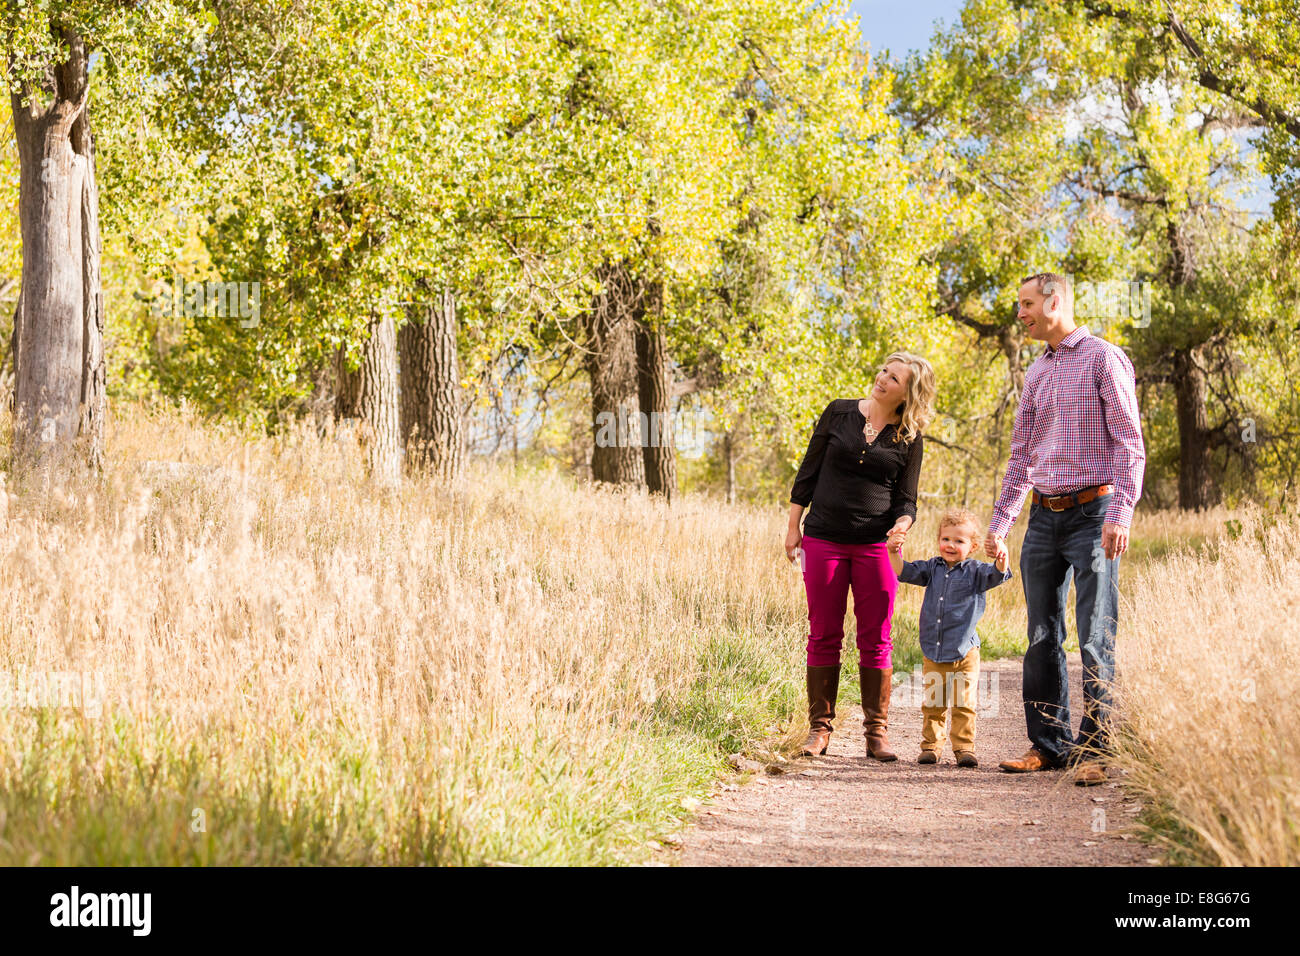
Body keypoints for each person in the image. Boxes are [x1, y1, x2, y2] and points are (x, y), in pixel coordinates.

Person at [984, 273, 1146, 786]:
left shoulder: (1103, 357)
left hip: (1094, 513)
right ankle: (1048, 745)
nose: (1020, 313)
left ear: (1055, 301)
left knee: (1095, 632)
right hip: (1042, 516)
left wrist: (1121, 512)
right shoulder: (1035, 372)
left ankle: (1098, 748)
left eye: (1027, 303)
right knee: (1040, 634)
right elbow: (1021, 457)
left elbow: (1128, 442)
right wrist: (1001, 522)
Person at [785, 352, 937, 761]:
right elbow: (808, 473)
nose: (883, 379)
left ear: (909, 393)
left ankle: (876, 733)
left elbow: (907, 499)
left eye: (894, 378)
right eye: (884, 372)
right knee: (823, 633)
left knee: (876, 639)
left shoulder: (910, 438)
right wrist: (792, 527)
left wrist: (903, 525)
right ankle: (819, 729)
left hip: (875, 547)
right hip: (823, 540)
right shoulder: (838, 413)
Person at [888, 508, 1011, 767]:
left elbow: (998, 574)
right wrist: (892, 551)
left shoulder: (976, 571)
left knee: (964, 703)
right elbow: (903, 571)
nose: (951, 545)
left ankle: (964, 749)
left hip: (965, 651)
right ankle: (931, 746)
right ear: (938, 540)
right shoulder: (932, 568)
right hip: (934, 649)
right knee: (933, 703)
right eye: (946, 539)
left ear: (973, 545)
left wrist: (1002, 555)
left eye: (959, 541)